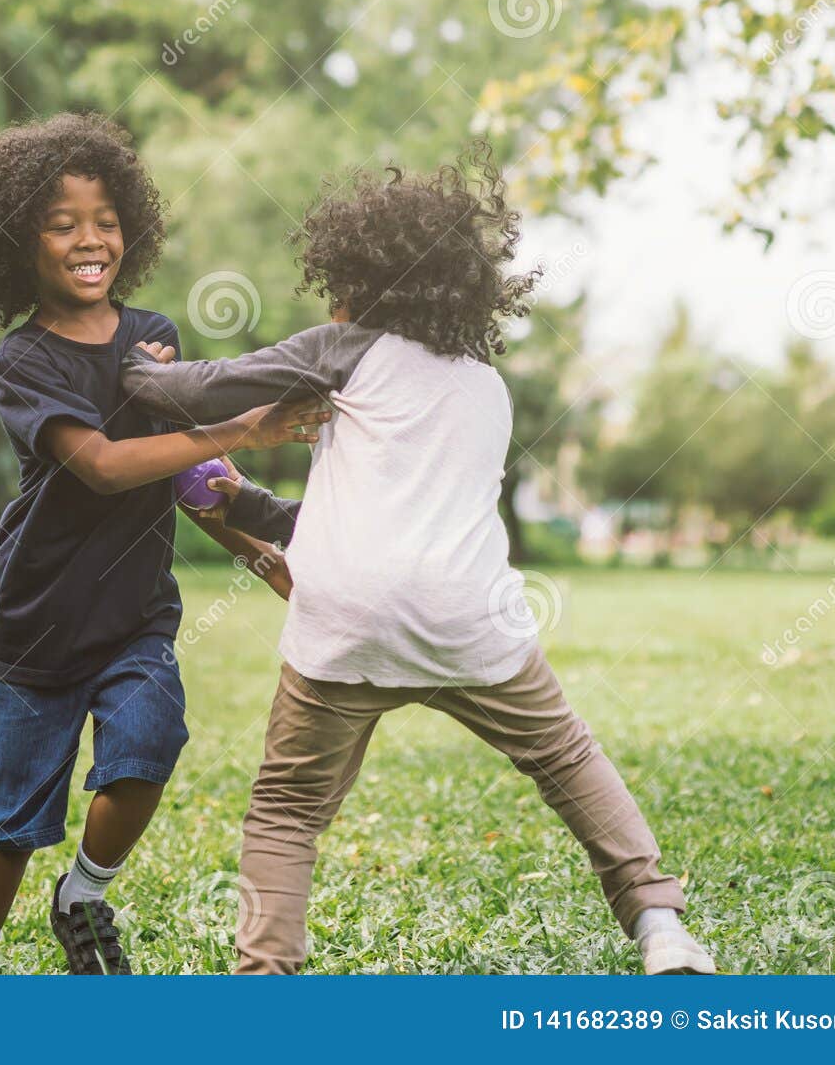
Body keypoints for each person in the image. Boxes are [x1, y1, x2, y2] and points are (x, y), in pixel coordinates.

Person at [121, 144, 716, 976]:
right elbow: (389, 517)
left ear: (358, 283)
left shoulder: (344, 349)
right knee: (567, 758)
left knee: (287, 810)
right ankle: (660, 924)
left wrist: (134, 371)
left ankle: (262, 986)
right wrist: (249, 507)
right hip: (468, 619)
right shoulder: (486, 387)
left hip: (349, 622)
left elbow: (207, 387)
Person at [0, 113, 327, 974]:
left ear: (131, 229)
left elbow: (186, 479)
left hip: (135, 614)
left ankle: (85, 893)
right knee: (7, 833)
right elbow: (105, 467)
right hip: (38, 623)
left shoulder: (152, 339)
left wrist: (271, 558)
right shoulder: (23, 361)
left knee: (148, 744)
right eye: (61, 222)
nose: (89, 238)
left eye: (105, 219)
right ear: (14, 243)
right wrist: (247, 427)